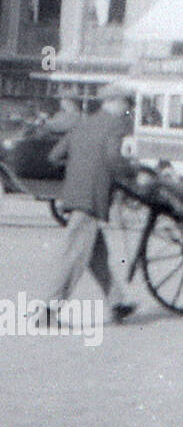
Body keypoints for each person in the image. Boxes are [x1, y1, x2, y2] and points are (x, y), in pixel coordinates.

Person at [44, 83, 137, 325]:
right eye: (127, 104)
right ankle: (49, 312)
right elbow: (114, 159)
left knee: (97, 255)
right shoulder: (116, 125)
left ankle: (118, 303)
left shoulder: (83, 123)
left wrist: (80, 169)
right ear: (116, 102)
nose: (128, 109)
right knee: (74, 256)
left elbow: (54, 156)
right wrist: (133, 172)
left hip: (74, 196)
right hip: (92, 199)